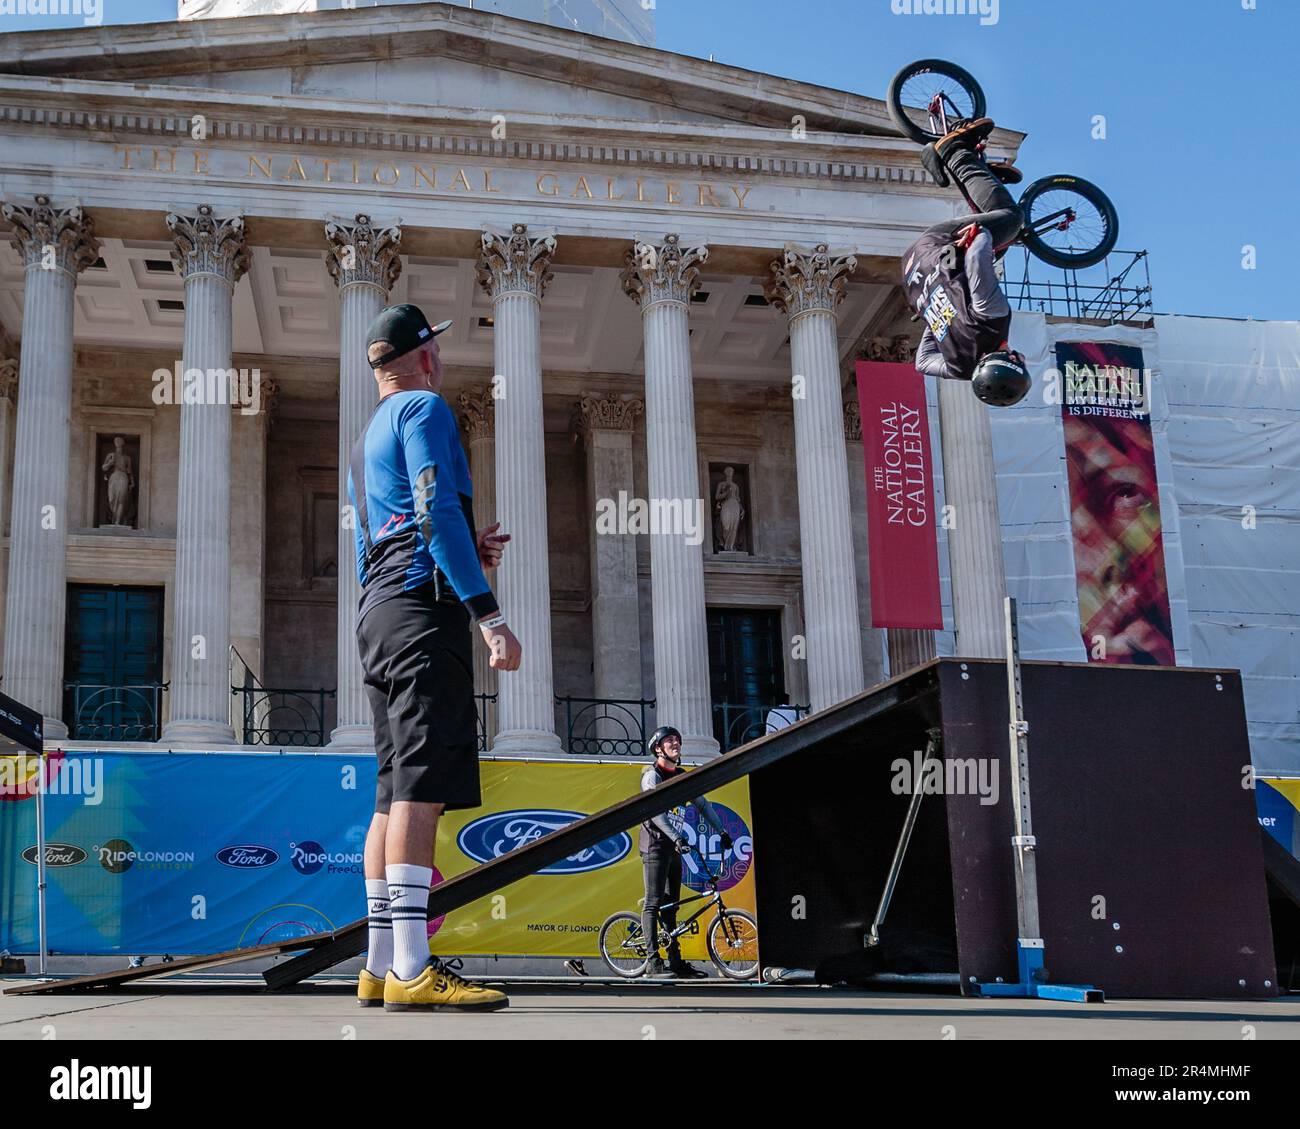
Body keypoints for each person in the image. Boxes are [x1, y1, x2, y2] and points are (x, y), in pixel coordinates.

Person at [349, 302, 522, 1013]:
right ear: (424, 357)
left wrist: (455, 558)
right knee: (420, 782)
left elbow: (383, 538)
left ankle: (380, 961)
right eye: (438, 351)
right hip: (422, 612)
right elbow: (433, 509)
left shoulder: (367, 435)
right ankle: (415, 968)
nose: (442, 362)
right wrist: (489, 614)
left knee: (392, 785)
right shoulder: (424, 411)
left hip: (379, 608)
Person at [901, 118, 1032, 407]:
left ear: (1010, 360)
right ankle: (985, 176)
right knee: (996, 244)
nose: (1020, 356)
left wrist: (980, 235)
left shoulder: (993, 318)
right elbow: (922, 362)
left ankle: (954, 151)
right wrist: (936, 314)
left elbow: (975, 258)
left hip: (935, 243)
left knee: (1009, 219)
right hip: (913, 271)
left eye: (1018, 361)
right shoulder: (960, 368)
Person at [639, 725, 733, 979]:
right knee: (653, 903)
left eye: (678, 740)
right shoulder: (652, 775)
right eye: (669, 741)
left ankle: (676, 962)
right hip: (656, 846)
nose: (676, 744)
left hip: (674, 847)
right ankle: (652, 962)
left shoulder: (681, 775)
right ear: (658, 748)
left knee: (672, 906)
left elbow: (703, 804)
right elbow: (655, 811)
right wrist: (677, 837)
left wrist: (722, 832)